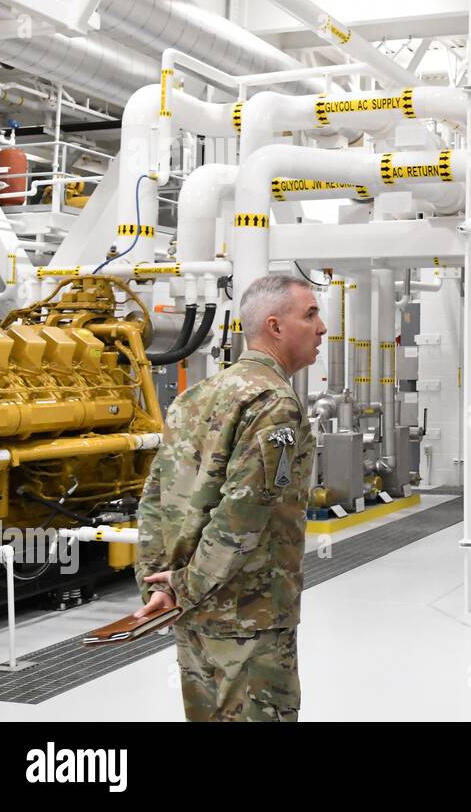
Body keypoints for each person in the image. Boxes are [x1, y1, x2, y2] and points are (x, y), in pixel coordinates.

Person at [132, 273, 325, 722]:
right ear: (274, 327)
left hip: (191, 614)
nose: (322, 328)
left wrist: (160, 585)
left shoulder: (194, 397)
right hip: (249, 618)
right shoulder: (273, 402)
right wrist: (186, 587)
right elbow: (244, 514)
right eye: (310, 314)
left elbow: (154, 500)